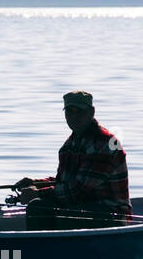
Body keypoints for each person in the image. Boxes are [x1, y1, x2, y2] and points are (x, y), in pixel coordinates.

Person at [13, 91, 132, 229]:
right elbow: (63, 182)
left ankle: (49, 248)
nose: (74, 116)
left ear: (91, 112)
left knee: (53, 212)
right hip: (80, 207)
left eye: (79, 111)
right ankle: (46, 248)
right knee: (39, 207)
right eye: (69, 111)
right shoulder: (69, 145)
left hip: (111, 215)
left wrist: (37, 193)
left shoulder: (105, 144)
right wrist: (35, 183)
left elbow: (78, 190)